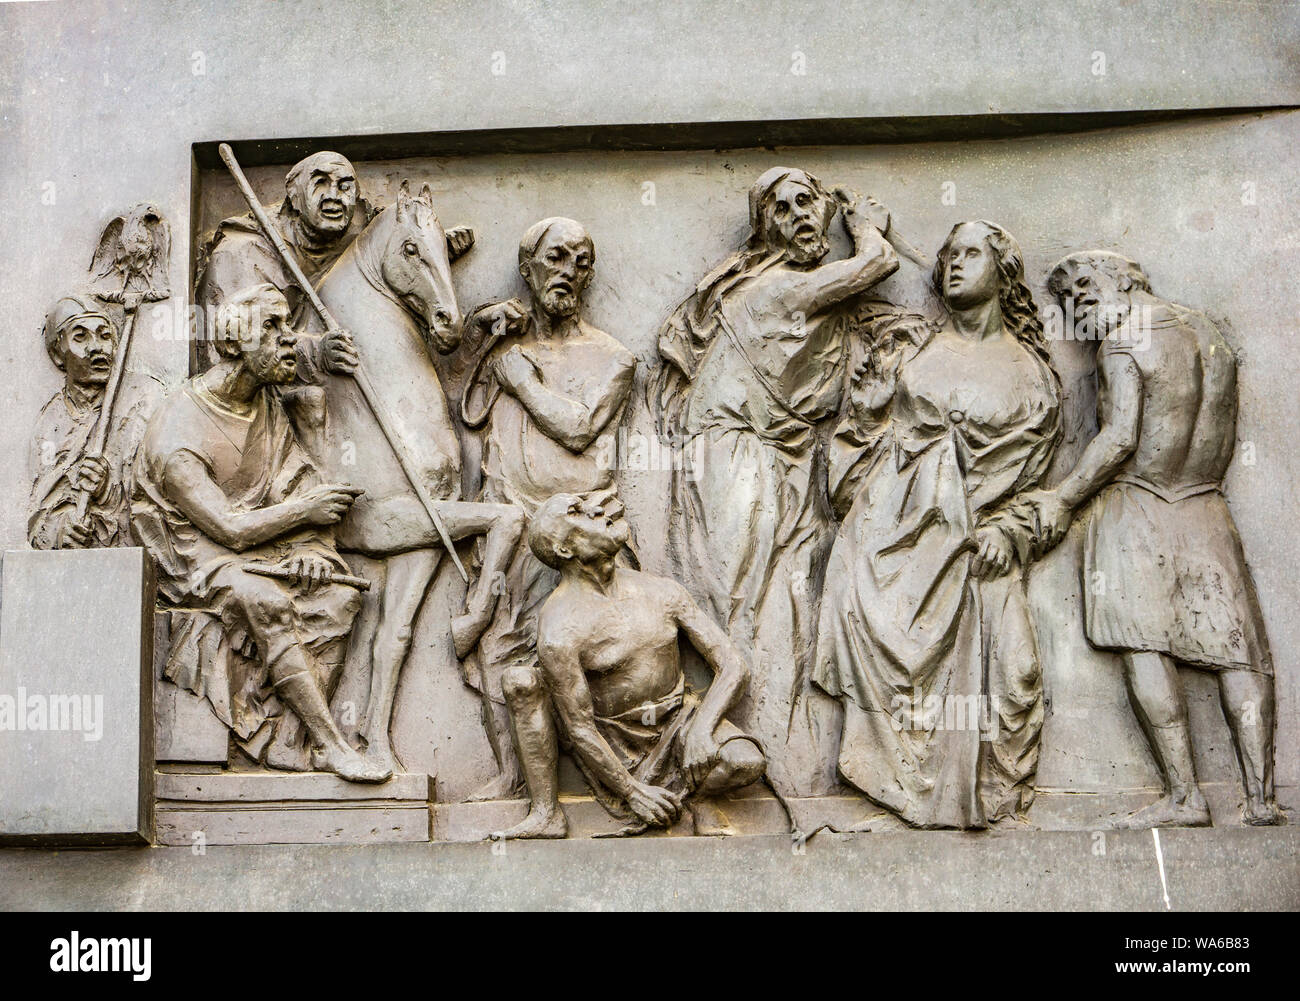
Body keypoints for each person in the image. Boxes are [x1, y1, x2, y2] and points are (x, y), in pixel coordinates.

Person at [653, 168, 897, 803]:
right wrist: (866, 226)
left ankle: (780, 755)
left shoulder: (799, 288)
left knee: (786, 602)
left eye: (808, 203)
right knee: (741, 599)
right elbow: (876, 263)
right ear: (766, 231)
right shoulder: (779, 289)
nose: (800, 216)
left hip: (774, 455)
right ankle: (718, 750)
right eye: (782, 210)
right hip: (732, 454)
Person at [812, 221, 1061, 829]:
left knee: (1019, 676)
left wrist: (1013, 531)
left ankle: (984, 797)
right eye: (947, 253)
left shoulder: (1033, 377)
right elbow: (860, 464)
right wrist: (867, 420)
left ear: (1002, 272)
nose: (952, 262)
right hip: (888, 549)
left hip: (978, 550)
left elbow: (1034, 490)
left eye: (970, 252)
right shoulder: (911, 357)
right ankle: (899, 788)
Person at [1024, 251, 1282, 827]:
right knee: (1237, 647)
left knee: (1146, 643)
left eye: (1087, 284)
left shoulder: (1121, 342)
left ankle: (1185, 797)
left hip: (1140, 501)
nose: (1079, 302)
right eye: (1069, 298)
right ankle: (1259, 800)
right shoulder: (1209, 332)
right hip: (1205, 501)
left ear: (1126, 280)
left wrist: (1061, 498)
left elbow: (1119, 439)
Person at [132, 283, 389, 782]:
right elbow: (229, 529)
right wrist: (304, 515)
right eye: (272, 327)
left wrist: (310, 549)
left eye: (288, 326)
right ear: (231, 343)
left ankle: (291, 739)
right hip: (194, 558)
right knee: (265, 600)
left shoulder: (268, 404)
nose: (290, 340)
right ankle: (331, 743)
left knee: (339, 597)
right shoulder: (178, 429)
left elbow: (295, 482)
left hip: (264, 542)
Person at [457, 218, 636, 799]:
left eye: (582, 262)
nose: (569, 272)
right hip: (512, 523)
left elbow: (580, 429)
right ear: (527, 268)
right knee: (499, 647)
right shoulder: (507, 352)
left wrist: (522, 381)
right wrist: (482, 330)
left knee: (595, 654)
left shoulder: (614, 358)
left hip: (582, 533)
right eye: (556, 258)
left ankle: (612, 779)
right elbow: (469, 407)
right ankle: (513, 777)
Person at [494, 489, 765, 839]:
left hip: (678, 722)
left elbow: (732, 666)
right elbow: (580, 727)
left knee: (746, 762)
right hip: (615, 745)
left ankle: (687, 799)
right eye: (579, 513)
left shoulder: (663, 592)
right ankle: (546, 813)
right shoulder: (560, 628)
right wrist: (632, 792)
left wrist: (701, 730)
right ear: (565, 549)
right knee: (521, 681)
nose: (599, 512)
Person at [28, 292, 163, 550]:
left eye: (104, 335)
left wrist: (107, 491)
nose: (97, 348)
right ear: (58, 354)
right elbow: (41, 510)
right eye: (80, 337)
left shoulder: (145, 398)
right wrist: (62, 530)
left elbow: (166, 491)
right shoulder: (50, 423)